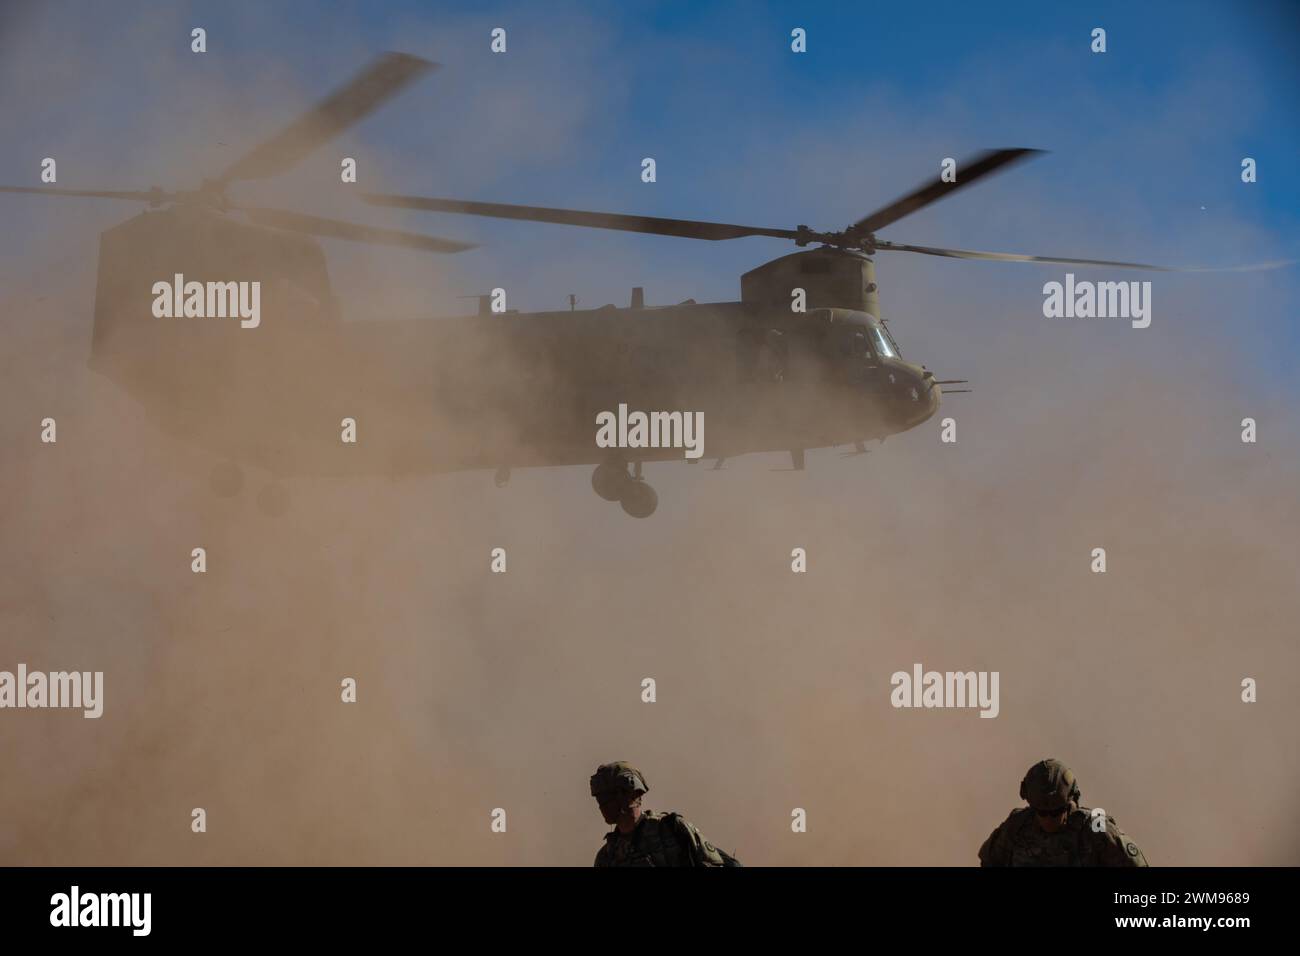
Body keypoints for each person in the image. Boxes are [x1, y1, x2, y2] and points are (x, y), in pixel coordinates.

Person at [978, 758, 1148, 866]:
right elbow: (990, 862)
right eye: (1042, 813)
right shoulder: (1016, 828)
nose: (1049, 820)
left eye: (1056, 812)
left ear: (1070, 802)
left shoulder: (1096, 830)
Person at [589, 761, 741, 867]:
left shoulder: (672, 830)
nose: (601, 806)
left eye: (606, 798)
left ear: (628, 794)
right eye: (598, 800)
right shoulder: (607, 856)